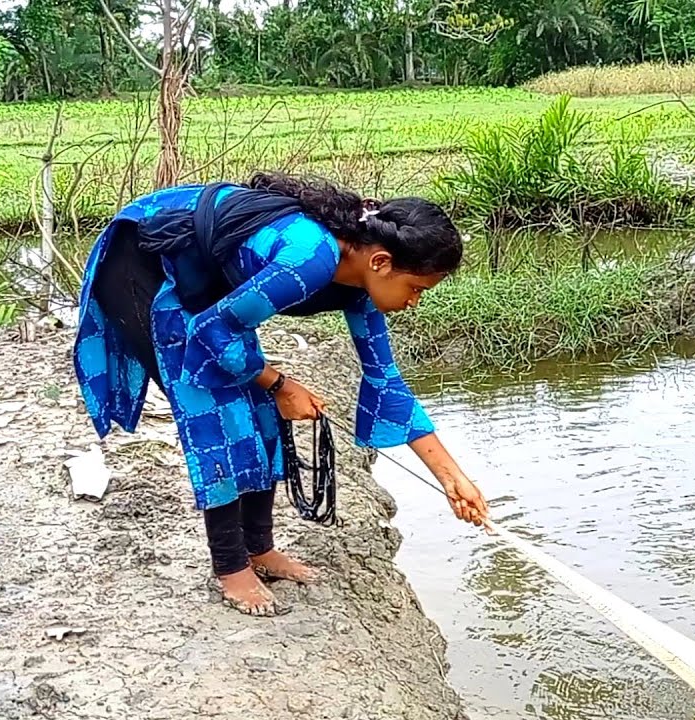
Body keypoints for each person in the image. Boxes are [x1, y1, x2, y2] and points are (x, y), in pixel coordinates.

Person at [72, 172, 489, 616]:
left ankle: (260, 549)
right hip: (145, 261)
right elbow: (210, 330)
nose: (414, 302)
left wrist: (452, 478)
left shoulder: (362, 282)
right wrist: (280, 383)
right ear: (381, 262)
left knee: (262, 413)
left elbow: (385, 381)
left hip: (206, 283)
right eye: (416, 289)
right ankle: (231, 569)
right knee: (217, 411)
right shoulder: (309, 260)